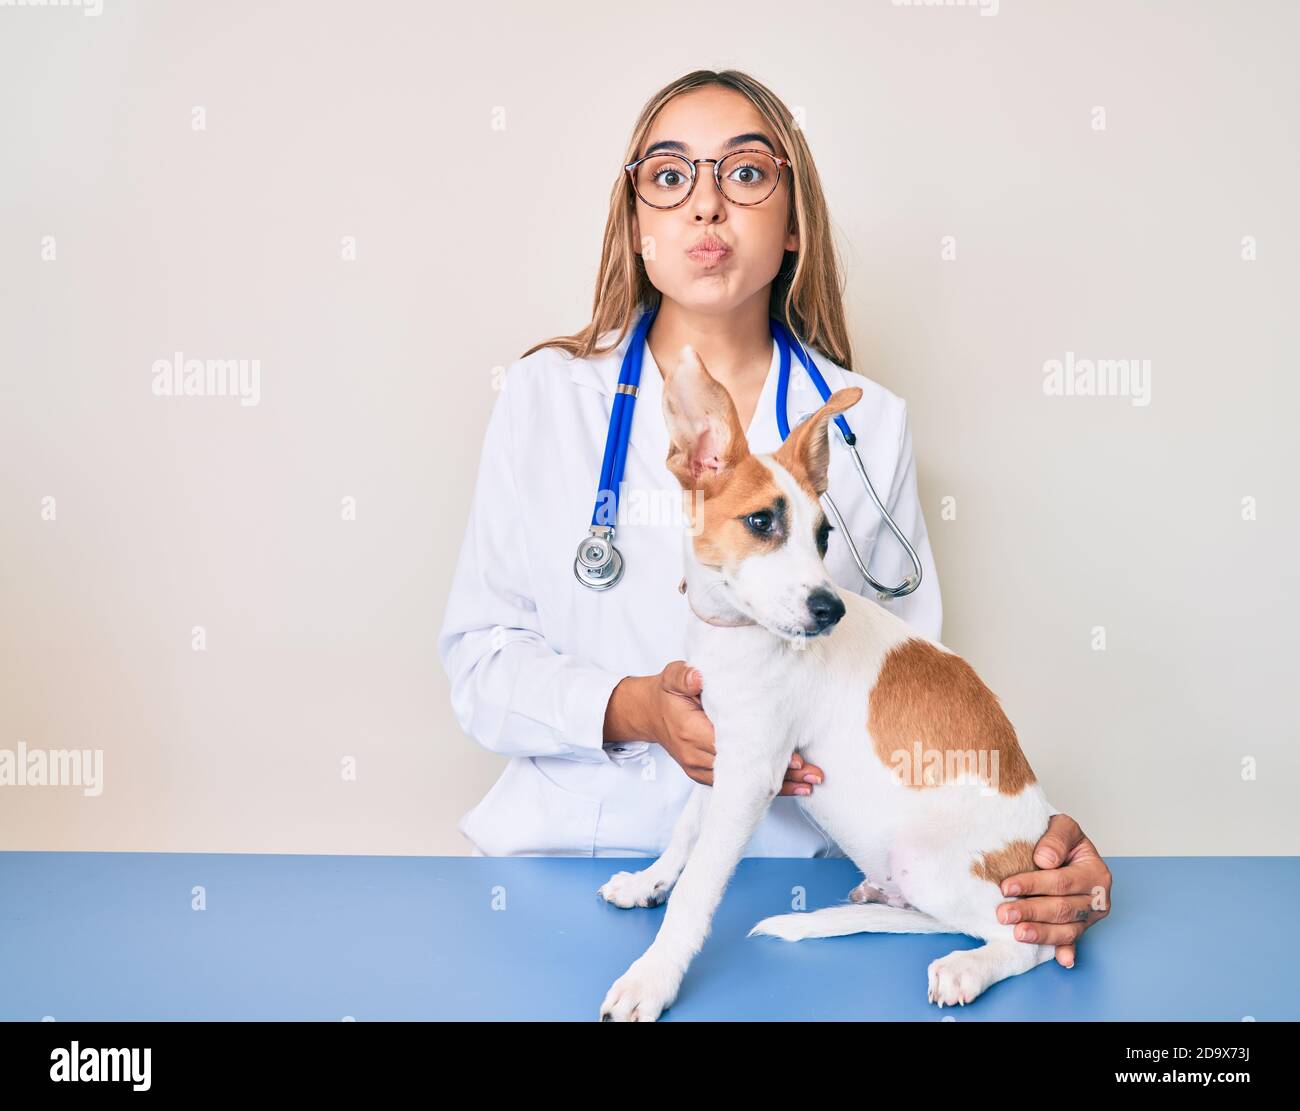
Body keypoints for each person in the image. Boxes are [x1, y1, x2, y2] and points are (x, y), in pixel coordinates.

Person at [437, 69, 1110, 967]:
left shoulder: (865, 422)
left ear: (795, 224)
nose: (707, 205)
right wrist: (632, 708)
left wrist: (1018, 853)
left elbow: (896, 693)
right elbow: (479, 662)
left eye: (746, 173)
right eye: (670, 177)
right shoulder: (545, 399)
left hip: (784, 878)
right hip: (562, 859)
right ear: (637, 224)